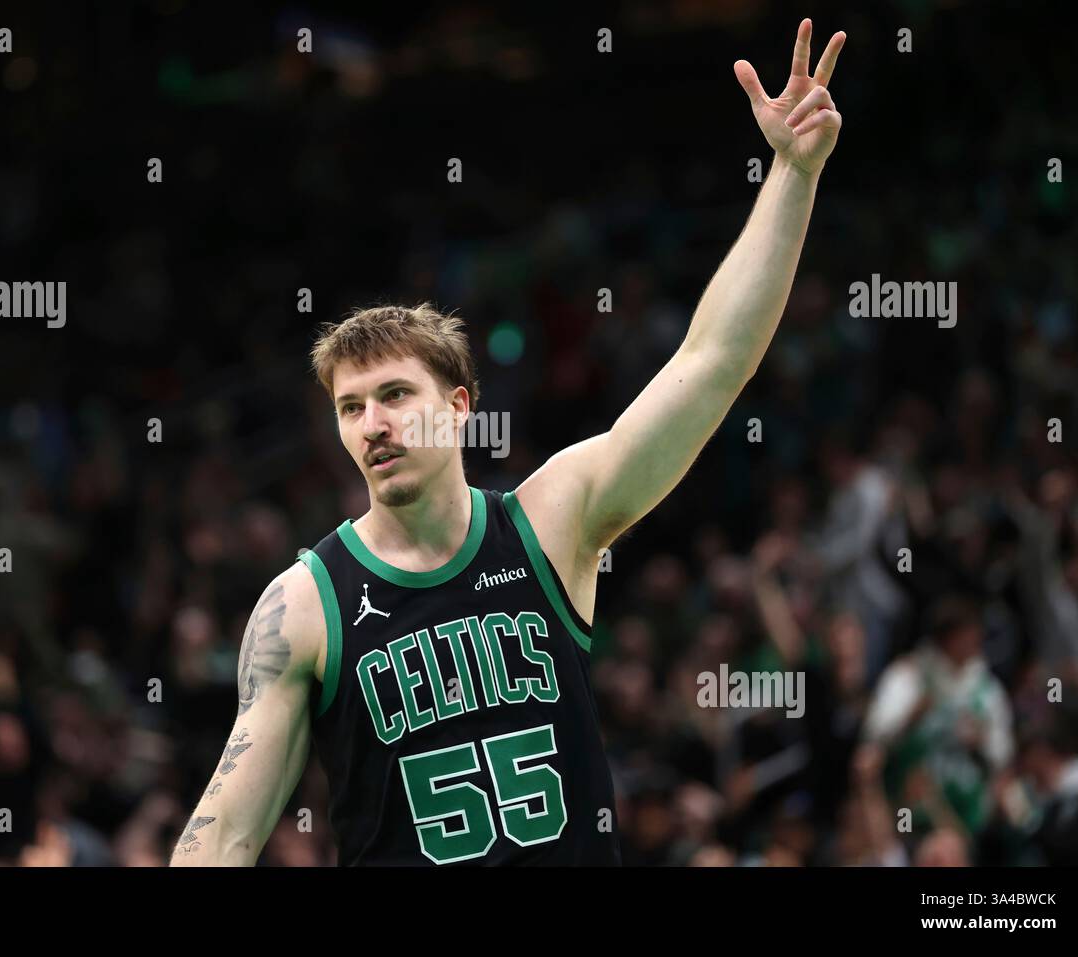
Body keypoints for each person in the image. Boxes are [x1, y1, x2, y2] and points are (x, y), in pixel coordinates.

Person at [169, 18, 847, 866]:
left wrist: (792, 172)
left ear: (458, 408)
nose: (372, 423)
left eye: (393, 396)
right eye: (350, 407)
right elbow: (225, 832)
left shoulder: (551, 522)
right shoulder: (304, 605)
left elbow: (711, 363)